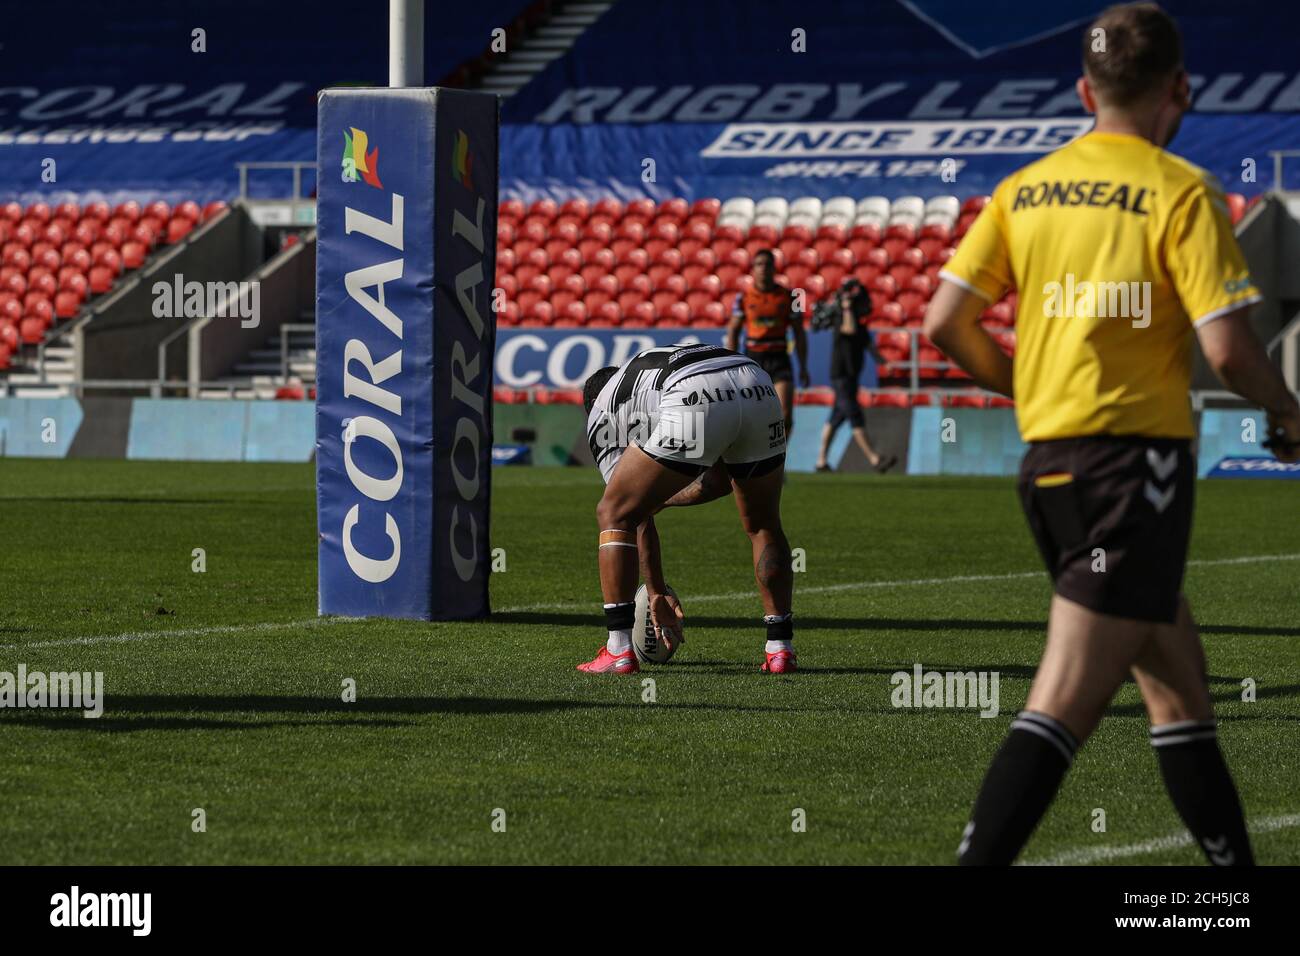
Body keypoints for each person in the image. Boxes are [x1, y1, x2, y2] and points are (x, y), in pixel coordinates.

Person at [924, 1, 1300, 866]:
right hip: (1134, 474)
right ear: (1181, 88)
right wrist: (1288, 414)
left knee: (1179, 698)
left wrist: (1034, 385)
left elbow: (947, 321)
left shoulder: (1025, 189)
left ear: (1083, 89)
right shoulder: (1183, 192)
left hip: (1054, 464)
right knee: (1065, 701)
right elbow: (1230, 350)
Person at [579, 343, 798, 675]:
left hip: (693, 390)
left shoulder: (603, 413)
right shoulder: (641, 381)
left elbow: (632, 518)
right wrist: (653, 500)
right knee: (763, 524)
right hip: (756, 382)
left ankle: (618, 650)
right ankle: (780, 648)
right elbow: (718, 483)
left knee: (613, 513)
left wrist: (656, 591)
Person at [726, 249, 810, 444]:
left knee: (786, 415)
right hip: (753, 360)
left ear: (775, 269)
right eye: (759, 264)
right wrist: (731, 362)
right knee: (749, 414)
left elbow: (799, 332)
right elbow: (733, 330)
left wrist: (803, 366)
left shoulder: (790, 297)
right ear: (753, 269)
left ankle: (779, 460)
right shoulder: (743, 298)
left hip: (780, 358)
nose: (763, 268)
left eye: (768, 264)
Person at [814, 279, 898, 473]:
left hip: (851, 378)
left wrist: (884, 363)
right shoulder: (840, 321)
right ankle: (875, 460)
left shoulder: (862, 328)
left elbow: (871, 348)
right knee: (854, 415)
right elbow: (848, 329)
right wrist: (846, 309)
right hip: (841, 376)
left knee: (835, 418)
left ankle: (821, 461)